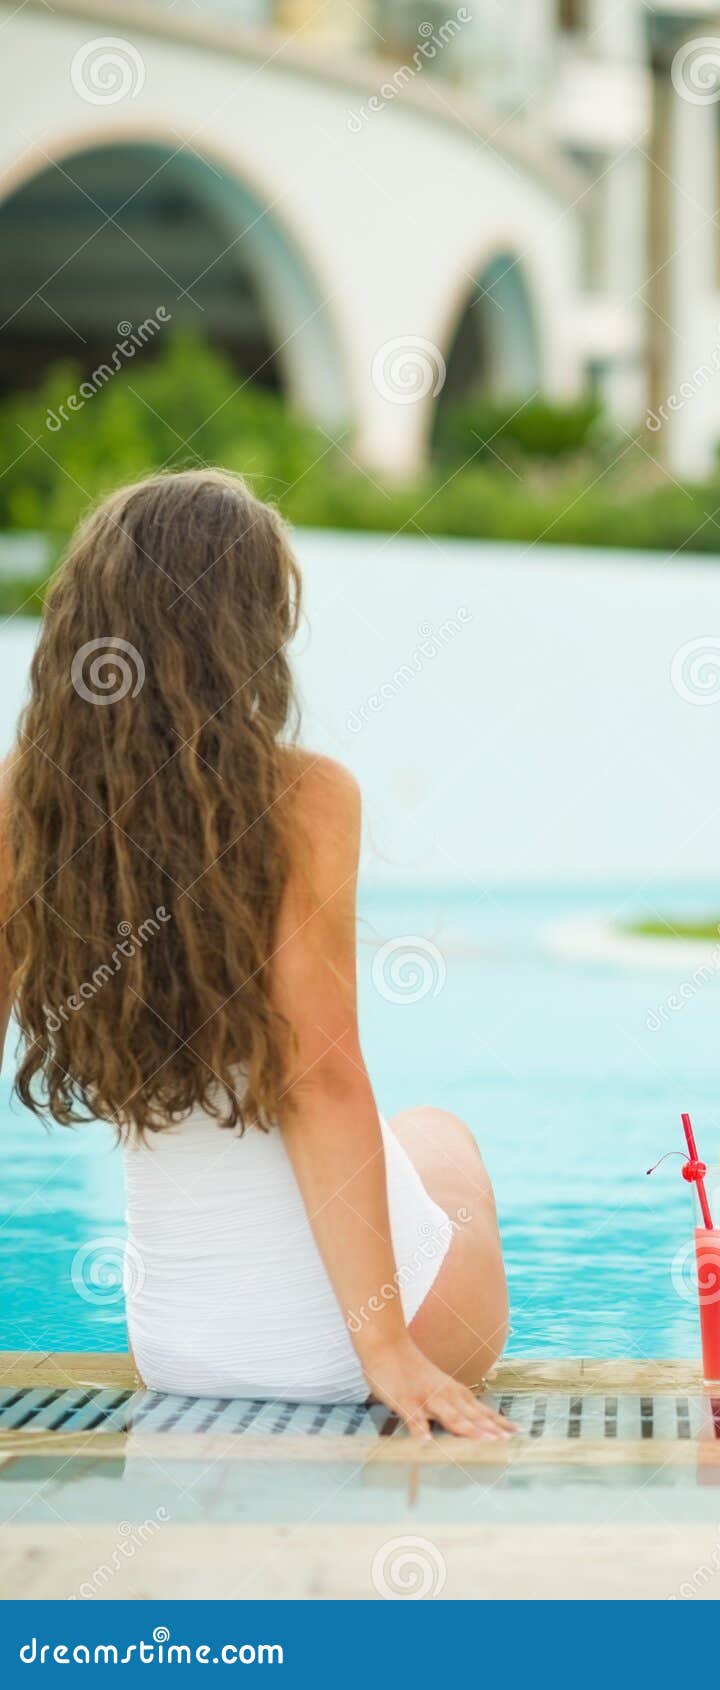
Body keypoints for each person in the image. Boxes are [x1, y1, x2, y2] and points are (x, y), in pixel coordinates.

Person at [0, 469, 513, 1442]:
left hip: (181, 1352)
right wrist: (386, 1354)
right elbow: (317, 1080)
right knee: (443, 1138)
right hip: (353, 1349)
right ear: (249, 629)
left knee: (409, 1138)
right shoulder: (304, 797)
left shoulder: (27, 801)